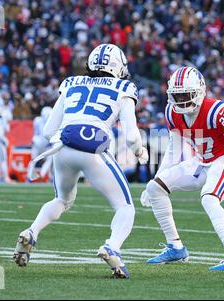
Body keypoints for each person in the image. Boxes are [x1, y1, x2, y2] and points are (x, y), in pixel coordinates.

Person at [14, 44, 148, 279]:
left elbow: (48, 130)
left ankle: (31, 231)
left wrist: (65, 143)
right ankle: (112, 247)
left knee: (62, 199)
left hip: (63, 145)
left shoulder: (71, 83)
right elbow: (132, 135)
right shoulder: (125, 87)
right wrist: (139, 151)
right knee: (125, 206)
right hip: (94, 147)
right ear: (118, 67)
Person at [140, 67, 224, 271]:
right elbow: (173, 150)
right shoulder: (172, 112)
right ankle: (176, 248)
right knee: (154, 187)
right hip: (202, 161)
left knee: (209, 198)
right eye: (177, 95)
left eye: (186, 94)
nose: (181, 100)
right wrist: (158, 178)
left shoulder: (215, 111)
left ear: (200, 91)